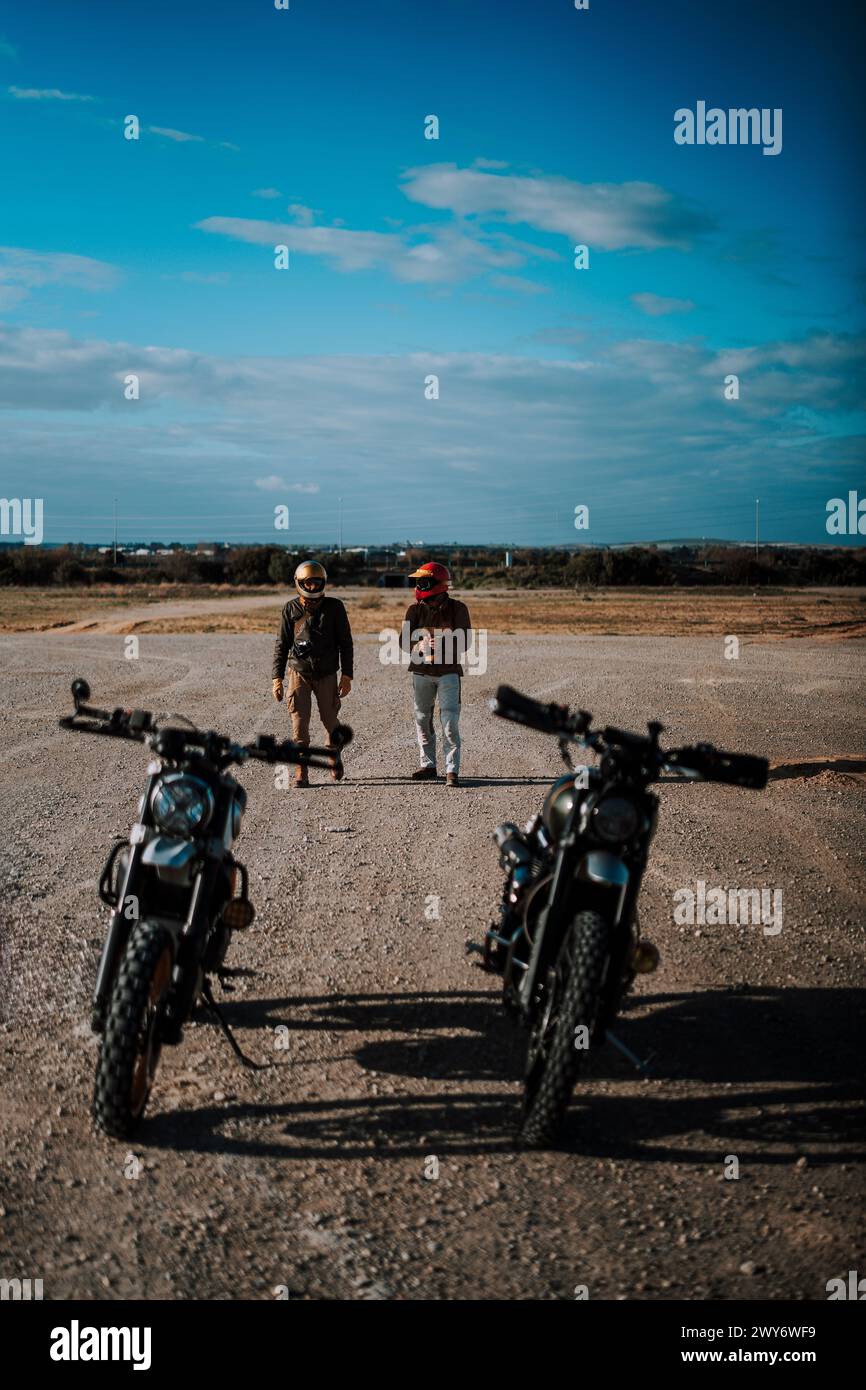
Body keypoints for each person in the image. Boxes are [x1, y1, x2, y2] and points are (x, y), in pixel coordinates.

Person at [271, 560, 353, 787]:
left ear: (324, 583)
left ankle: (333, 754)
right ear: (299, 583)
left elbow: (345, 643)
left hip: (327, 673)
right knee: (299, 722)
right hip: (298, 673)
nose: (314, 587)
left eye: (318, 583)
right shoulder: (290, 609)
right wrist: (276, 678)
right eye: (309, 583)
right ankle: (301, 770)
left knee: (330, 719)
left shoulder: (335, 607)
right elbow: (282, 644)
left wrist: (347, 675)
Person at [403, 561, 471, 788]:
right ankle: (428, 765)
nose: (419, 586)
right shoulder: (414, 609)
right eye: (418, 582)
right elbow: (404, 642)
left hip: (448, 672)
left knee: (449, 721)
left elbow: (466, 642)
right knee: (422, 718)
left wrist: (444, 641)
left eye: (423, 582)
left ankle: (452, 770)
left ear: (438, 584)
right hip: (421, 672)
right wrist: (419, 645)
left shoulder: (458, 609)